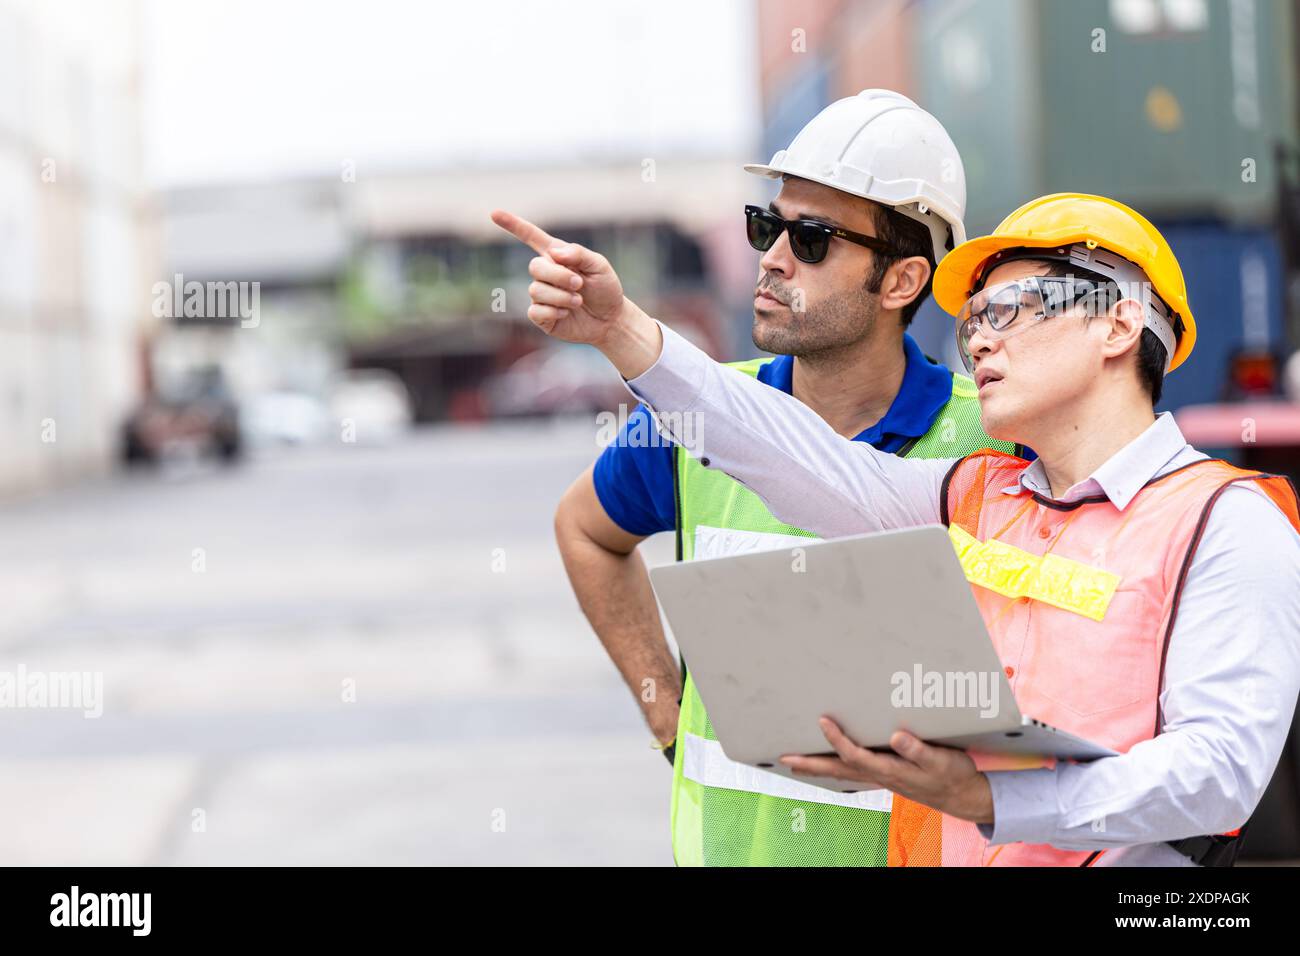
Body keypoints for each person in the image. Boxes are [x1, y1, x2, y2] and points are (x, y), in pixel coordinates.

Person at [495, 190, 1300, 866]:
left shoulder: (1227, 522)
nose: (980, 335)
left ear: (1120, 327)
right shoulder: (978, 494)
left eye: (1014, 308)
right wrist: (624, 333)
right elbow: (797, 462)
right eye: (972, 320)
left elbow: (1221, 770)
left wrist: (995, 798)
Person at [527, 90, 1019, 866]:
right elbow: (585, 529)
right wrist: (666, 712)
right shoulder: (696, 415)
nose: (773, 257)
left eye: (813, 239)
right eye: (769, 225)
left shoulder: (992, 443)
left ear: (900, 282)